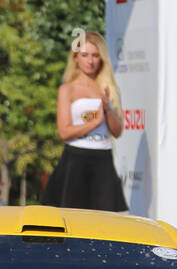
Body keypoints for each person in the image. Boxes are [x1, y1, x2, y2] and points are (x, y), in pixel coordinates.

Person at [41, 30, 126, 211]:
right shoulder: (67, 90)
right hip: (75, 158)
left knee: (106, 221)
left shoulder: (108, 88)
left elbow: (117, 132)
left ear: (102, 58)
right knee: (72, 218)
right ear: (75, 58)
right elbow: (64, 132)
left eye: (95, 55)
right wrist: (94, 122)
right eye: (85, 55)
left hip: (103, 158)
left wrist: (107, 108)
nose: (90, 61)